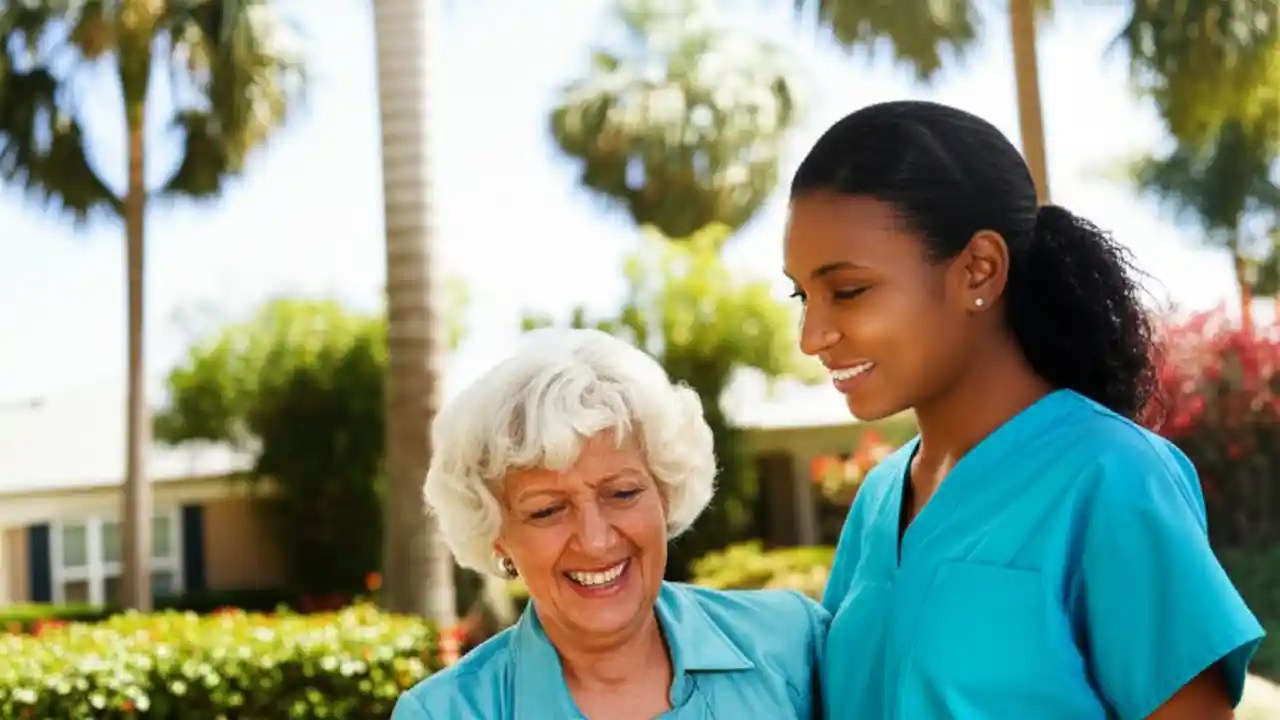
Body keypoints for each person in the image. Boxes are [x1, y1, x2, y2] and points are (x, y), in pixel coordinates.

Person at [783, 100, 1265, 719]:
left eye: (847, 291)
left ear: (979, 270)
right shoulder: (879, 500)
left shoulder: (1112, 476)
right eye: (803, 294)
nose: (811, 334)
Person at [391, 328, 828, 719]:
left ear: (665, 491)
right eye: (547, 510)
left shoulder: (792, 643)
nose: (595, 541)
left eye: (621, 493)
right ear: (498, 536)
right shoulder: (445, 713)